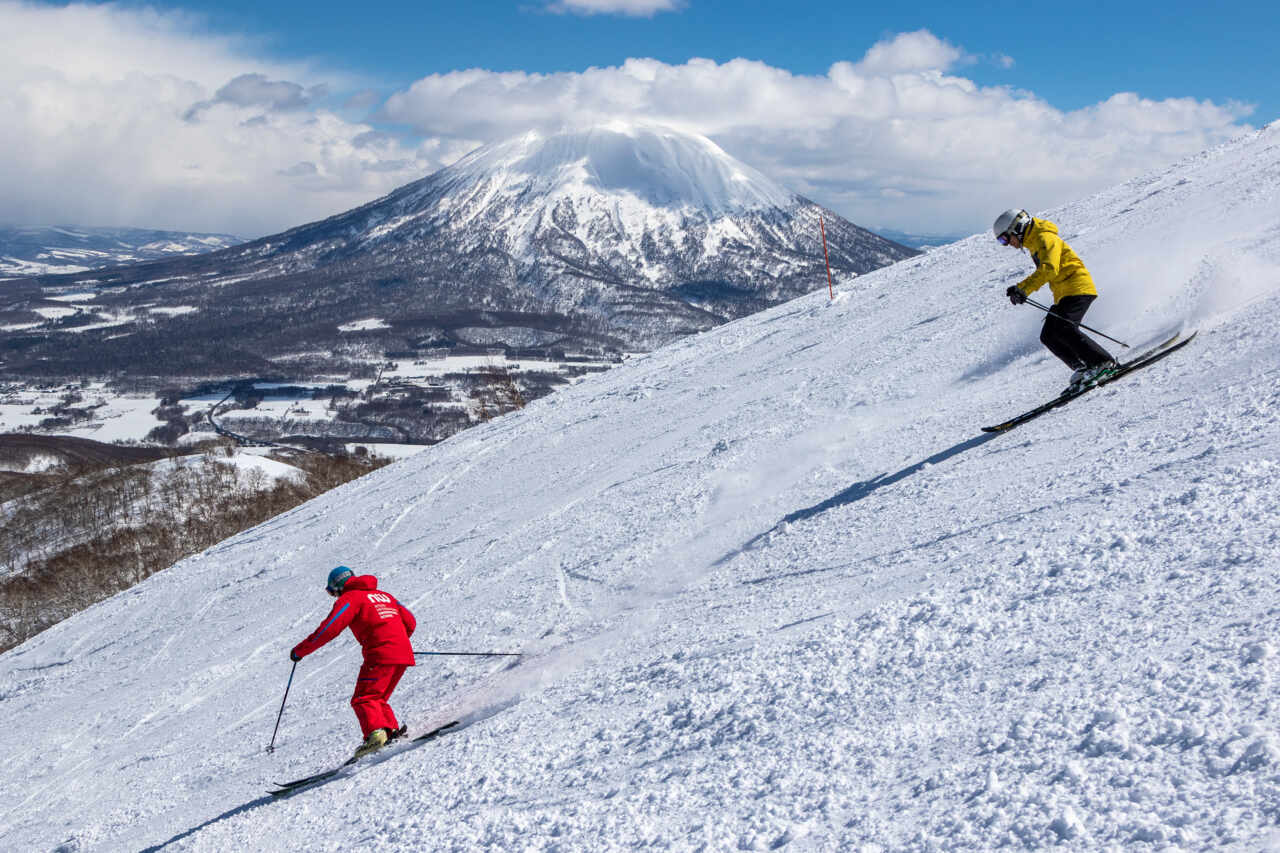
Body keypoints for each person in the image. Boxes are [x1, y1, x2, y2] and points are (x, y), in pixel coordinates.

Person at [291, 566, 417, 758]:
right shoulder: (384, 596)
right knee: (377, 697)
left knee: (364, 698)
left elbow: (330, 628)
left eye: (332, 592)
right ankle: (390, 732)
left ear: (338, 586)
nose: (333, 596)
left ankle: (376, 737)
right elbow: (410, 622)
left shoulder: (351, 598)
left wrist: (300, 651)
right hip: (402, 653)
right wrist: (396, 642)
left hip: (381, 654)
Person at [993, 208, 1118, 392]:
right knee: (1049, 335)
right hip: (1065, 293)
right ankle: (1083, 368)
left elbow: (1049, 269)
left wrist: (1023, 289)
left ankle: (1103, 363)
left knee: (1065, 328)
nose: (1007, 244)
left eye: (1005, 239)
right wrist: (1021, 289)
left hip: (1077, 288)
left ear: (1017, 228)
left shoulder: (1044, 238)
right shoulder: (1034, 242)